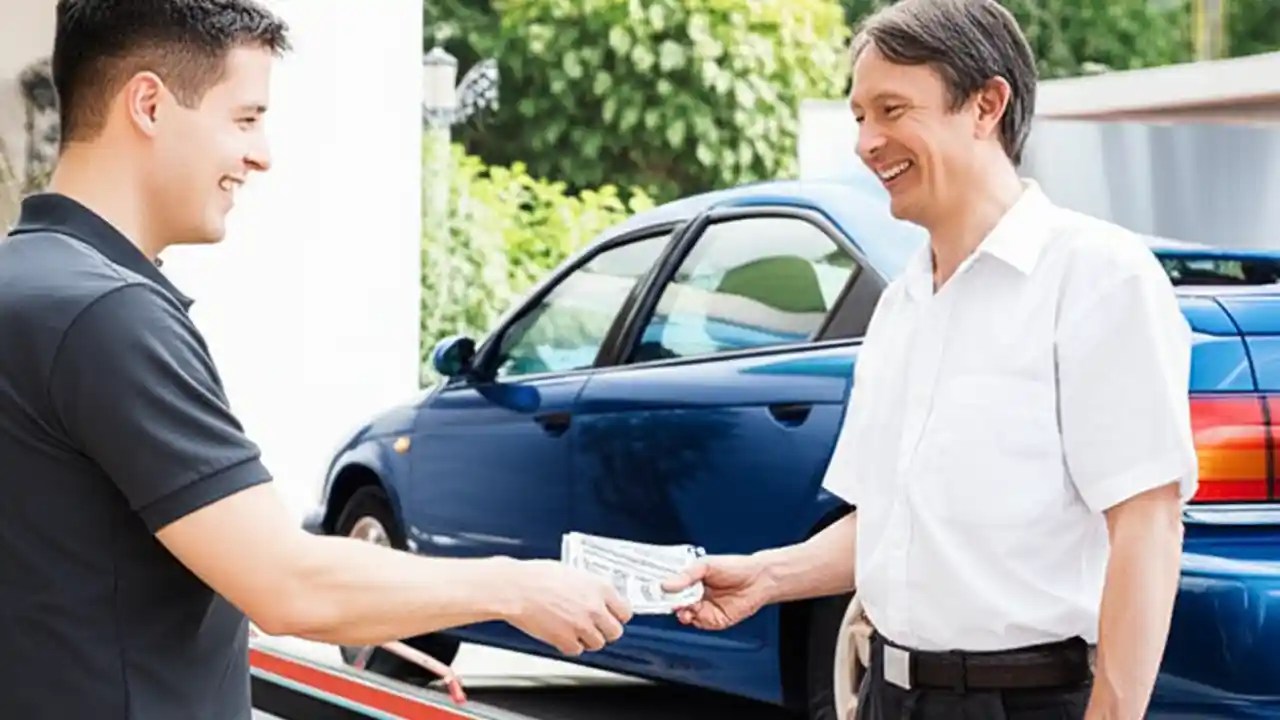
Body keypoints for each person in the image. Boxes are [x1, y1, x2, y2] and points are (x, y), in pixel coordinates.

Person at [0, 2, 630, 718]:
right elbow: (287, 583)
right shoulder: (105, 313)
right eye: (245, 118)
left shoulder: (24, 283)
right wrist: (517, 587)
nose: (261, 153)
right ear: (148, 103)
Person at [663, 1, 1197, 719]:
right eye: (858, 116)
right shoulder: (903, 303)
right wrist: (765, 577)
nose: (866, 142)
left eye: (891, 109)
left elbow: (1147, 524)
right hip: (891, 696)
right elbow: (886, 521)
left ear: (986, 104)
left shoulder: (1098, 276)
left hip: (1029, 703)